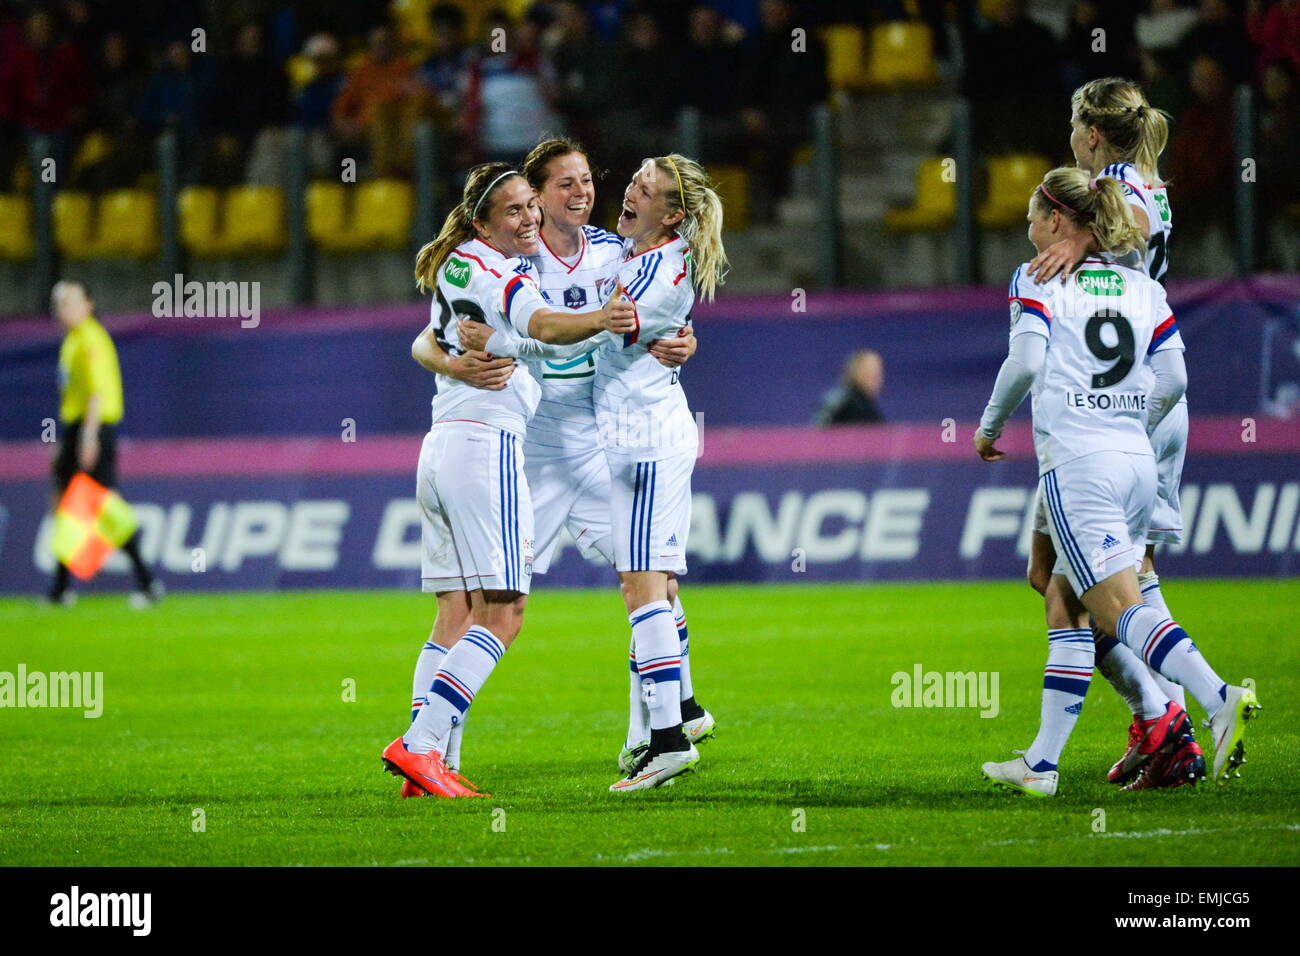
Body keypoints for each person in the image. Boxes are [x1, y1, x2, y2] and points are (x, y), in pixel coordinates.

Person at [975, 168, 1260, 797]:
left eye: (1031, 216)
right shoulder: (1143, 287)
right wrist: (1125, 417)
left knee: (1117, 608)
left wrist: (988, 429)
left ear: (1055, 220)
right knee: (1063, 595)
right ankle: (1041, 766)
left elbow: (1024, 362)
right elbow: (1177, 380)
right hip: (1136, 459)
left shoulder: (1038, 278)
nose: (1026, 229)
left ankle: (1214, 700)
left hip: (1079, 466)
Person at [452, 137, 717, 779]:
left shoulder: (610, 251)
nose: (586, 193)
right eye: (565, 185)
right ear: (534, 198)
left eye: (586, 182)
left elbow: (635, 315)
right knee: (484, 603)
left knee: (649, 582)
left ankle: (662, 730)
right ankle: (438, 750)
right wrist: (463, 353)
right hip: (536, 450)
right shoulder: (507, 257)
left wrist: (681, 336)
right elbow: (426, 341)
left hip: (609, 442)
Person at [381, 163, 636, 798]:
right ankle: (418, 747)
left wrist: (453, 361)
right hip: (486, 447)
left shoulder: (457, 263)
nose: (528, 220)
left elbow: (424, 341)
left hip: (439, 447)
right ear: (482, 222)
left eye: (530, 207)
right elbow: (545, 326)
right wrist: (604, 319)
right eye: (514, 211)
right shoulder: (501, 273)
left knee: (454, 614)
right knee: (505, 613)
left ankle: (428, 765)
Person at [1027, 78, 1202, 789]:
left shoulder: (1120, 189)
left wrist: (1084, 235)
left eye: (1075, 125)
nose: (1070, 135)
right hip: (1150, 391)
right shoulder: (1146, 182)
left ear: (1091, 133)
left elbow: (1129, 220)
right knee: (1126, 578)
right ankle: (1170, 726)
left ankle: (1171, 720)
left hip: (1114, 406)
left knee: (1068, 589)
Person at [48, 281, 162, 609]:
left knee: (104, 505)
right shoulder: (72, 341)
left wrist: (88, 436)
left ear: (88, 304)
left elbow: (97, 394)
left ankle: (147, 581)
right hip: (76, 428)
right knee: (68, 507)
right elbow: (73, 396)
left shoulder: (91, 339)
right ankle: (59, 589)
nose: (63, 309)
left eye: (70, 301)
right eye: (59, 303)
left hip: (92, 429)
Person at [814, 349, 885, 425]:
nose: (878, 379)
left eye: (878, 373)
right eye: (870, 373)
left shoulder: (863, 405)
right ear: (855, 371)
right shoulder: (853, 406)